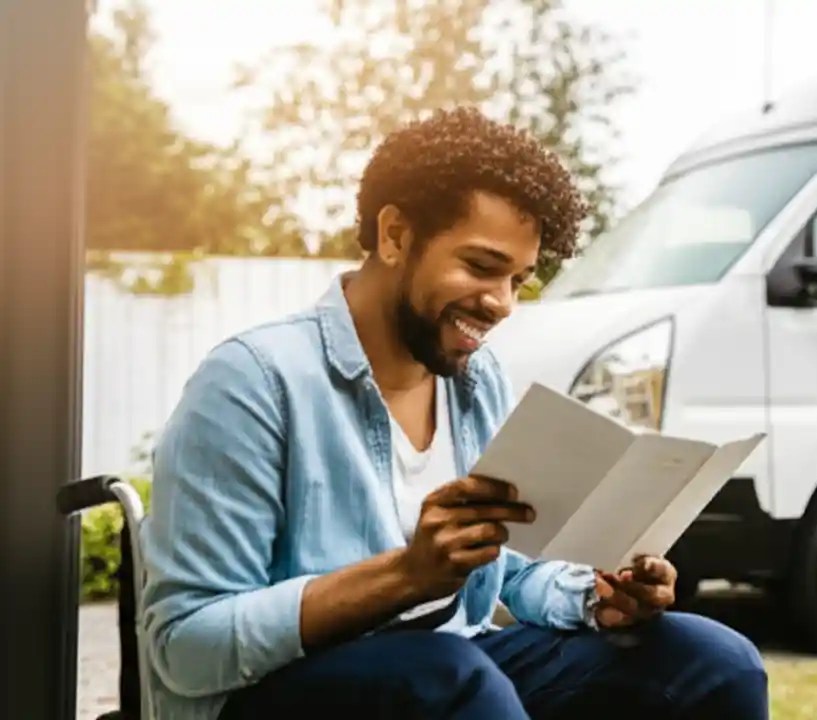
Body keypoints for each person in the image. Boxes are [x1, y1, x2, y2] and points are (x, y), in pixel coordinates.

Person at [139, 106, 768, 720]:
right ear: (394, 236)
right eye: (481, 267)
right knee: (450, 679)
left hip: (454, 672)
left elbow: (511, 568)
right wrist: (406, 575)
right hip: (282, 693)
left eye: (519, 280)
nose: (501, 304)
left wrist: (597, 596)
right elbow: (185, 646)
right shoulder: (254, 382)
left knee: (714, 661)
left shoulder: (473, 378)